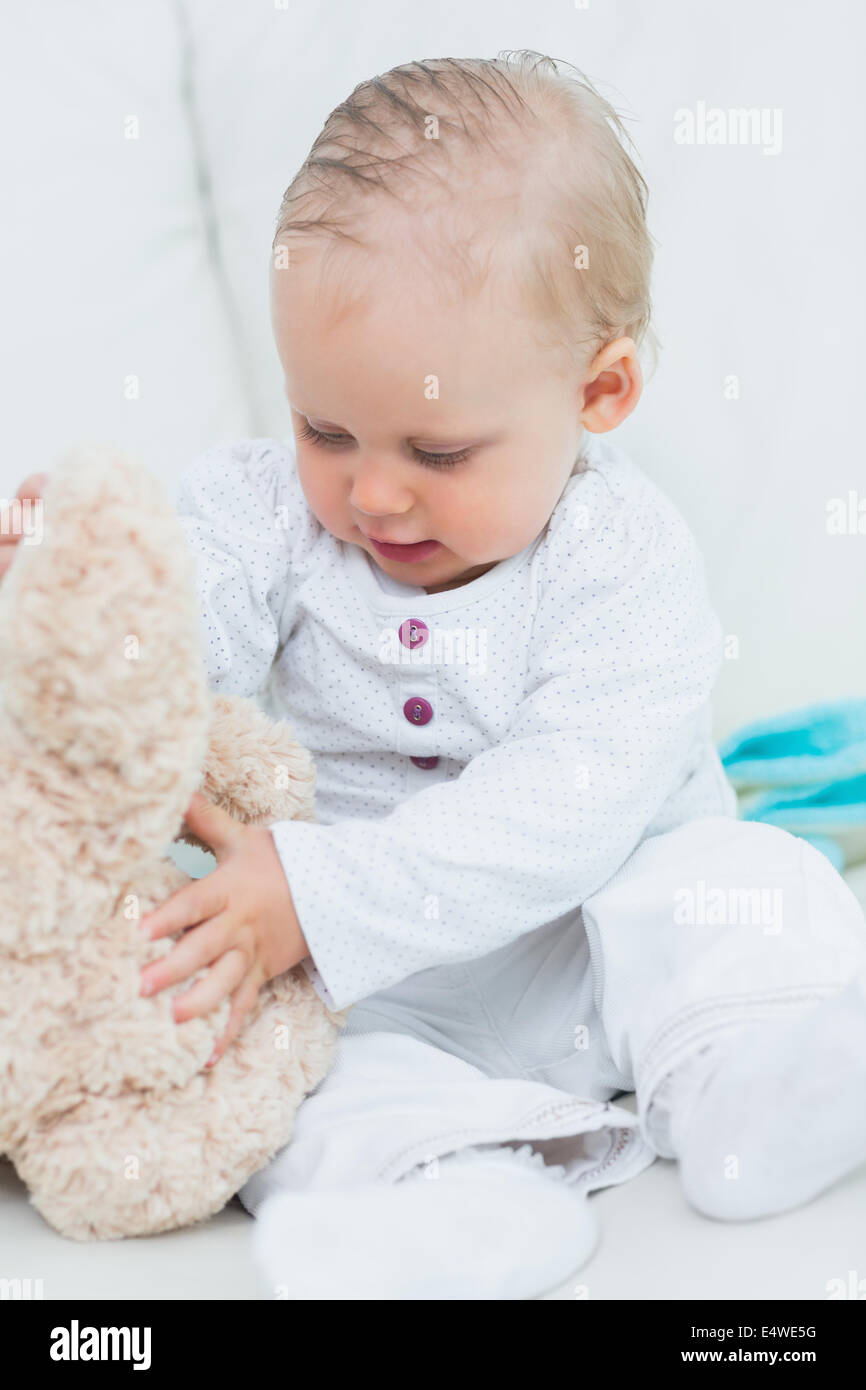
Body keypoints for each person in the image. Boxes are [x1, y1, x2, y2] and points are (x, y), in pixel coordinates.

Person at [7, 52, 866, 1300]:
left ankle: (755, 1082)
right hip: (385, 994)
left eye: (437, 447)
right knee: (281, 1078)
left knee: (735, 888)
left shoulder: (623, 560)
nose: (371, 491)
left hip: (590, 940)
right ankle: (459, 1196)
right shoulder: (268, 518)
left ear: (599, 390)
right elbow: (169, 649)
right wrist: (77, 595)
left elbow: (569, 808)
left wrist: (318, 889)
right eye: (325, 429)